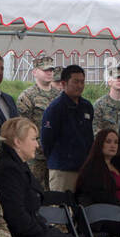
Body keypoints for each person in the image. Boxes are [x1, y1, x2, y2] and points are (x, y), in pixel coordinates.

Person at [39, 64, 94, 193]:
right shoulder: (55, 109)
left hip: (83, 168)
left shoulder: (87, 106)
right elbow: (47, 140)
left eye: (82, 82)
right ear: (64, 83)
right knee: (61, 209)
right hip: (62, 170)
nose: (79, 86)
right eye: (75, 82)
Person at [16, 60, 61, 189]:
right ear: (35, 72)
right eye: (45, 70)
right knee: (35, 190)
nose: (49, 73)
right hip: (36, 155)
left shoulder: (59, 96)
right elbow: (23, 126)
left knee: (55, 193)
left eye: (51, 70)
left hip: (56, 155)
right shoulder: (27, 96)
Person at [75, 129, 120, 208]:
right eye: (108, 142)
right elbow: (98, 196)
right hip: (112, 211)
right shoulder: (92, 169)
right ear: (100, 144)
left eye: (116, 142)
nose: (113, 145)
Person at [92, 60, 120, 135]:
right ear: (109, 81)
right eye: (116, 77)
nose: (119, 79)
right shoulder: (100, 105)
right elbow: (95, 129)